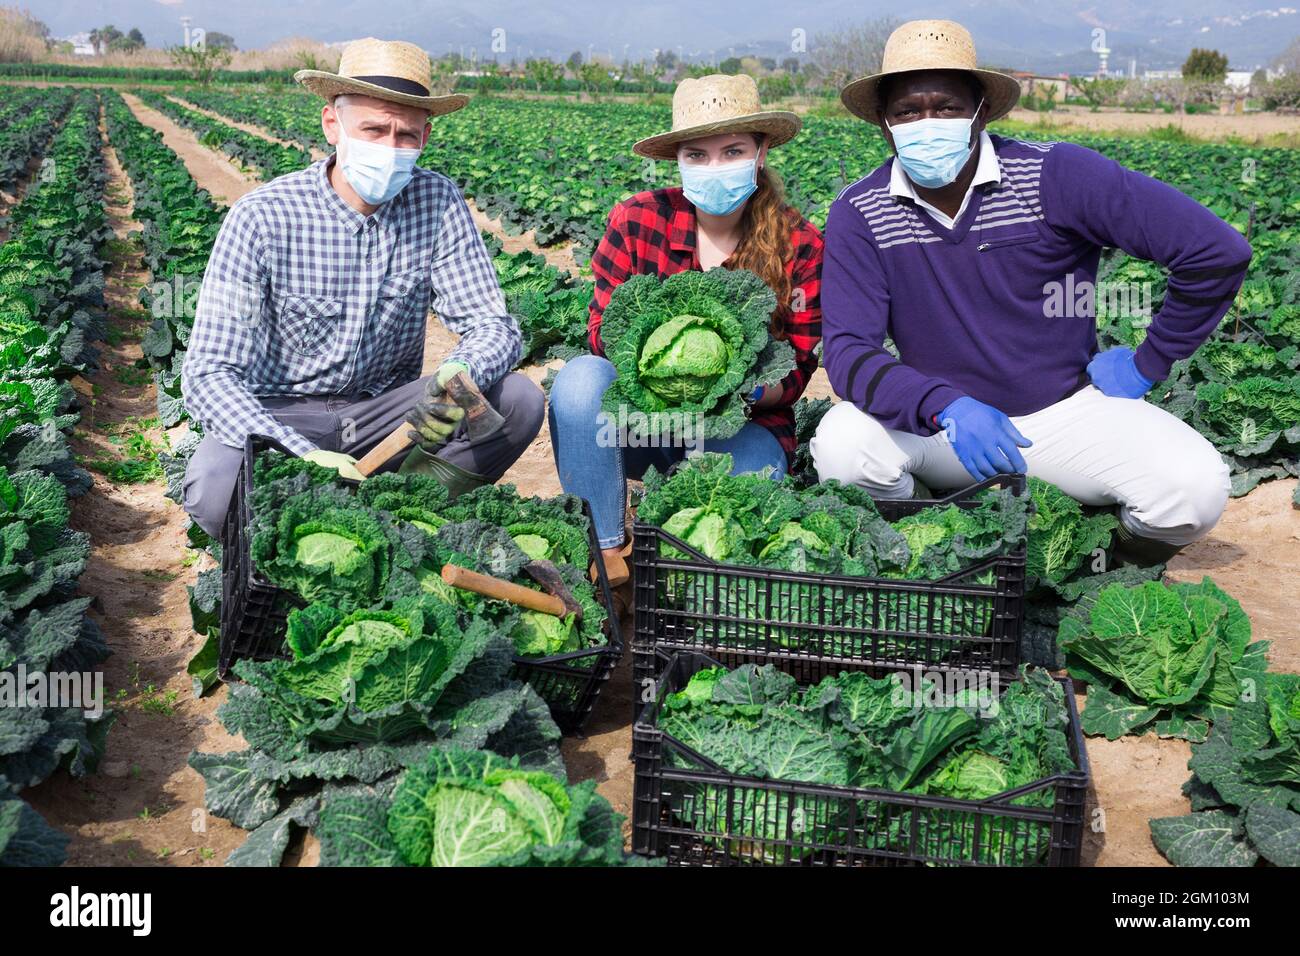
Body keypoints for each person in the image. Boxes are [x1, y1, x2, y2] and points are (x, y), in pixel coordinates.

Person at [811, 20, 1250, 562]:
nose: (926, 122)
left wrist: (1148, 362)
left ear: (981, 111)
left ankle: (1091, 564)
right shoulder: (862, 210)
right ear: (884, 124)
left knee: (1193, 490)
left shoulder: (1054, 175)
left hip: (1062, 416)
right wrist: (943, 404)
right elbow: (850, 353)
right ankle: (930, 535)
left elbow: (1215, 251)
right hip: (944, 429)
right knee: (843, 448)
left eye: (945, 107)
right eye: (907, 111)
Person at [181, 38, 543, 537]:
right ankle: (314, 522)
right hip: (281, 414)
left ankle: (405, 513)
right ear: (333, 124)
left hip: (389, 416)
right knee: (214, 488)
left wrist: (463, 369)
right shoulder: (264, 217)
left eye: (406, 135)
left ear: (426, 137)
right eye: (373, 129)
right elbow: (209, 373)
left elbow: (492, 326)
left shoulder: (436, 202)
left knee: (516, 401)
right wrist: (302, 455)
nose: (390, 148)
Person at [548, 74, 824, 585]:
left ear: (761, 152)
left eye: (733, 150)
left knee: (735, 522)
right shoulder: (637, 219)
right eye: (697, 155)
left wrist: (733, 388)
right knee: (581, 380)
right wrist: (661, 385)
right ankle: (608, 554)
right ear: (678, 160)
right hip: (642, 422)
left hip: (743, 426)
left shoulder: (798, 242)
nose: (714, 167)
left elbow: (798, 367)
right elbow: (601, 331)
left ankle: (675, 562)